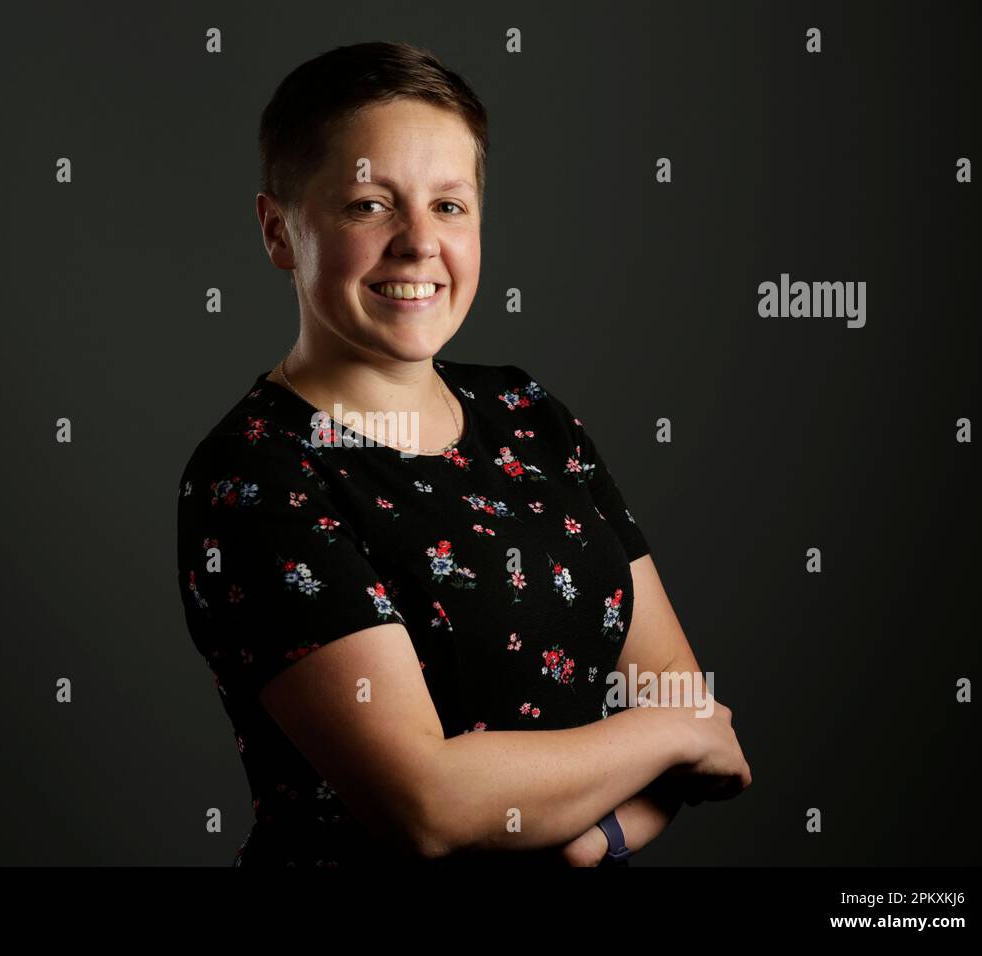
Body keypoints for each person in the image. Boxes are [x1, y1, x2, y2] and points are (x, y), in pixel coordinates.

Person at [176, 41, 751, 867]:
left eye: (449, 206)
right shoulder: (257, 475)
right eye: (370, 205)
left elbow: (685, 704)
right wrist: (665, 735)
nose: (418, 244)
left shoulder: (527, 413)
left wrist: (599, 840)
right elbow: (429, 804)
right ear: (279, 231)